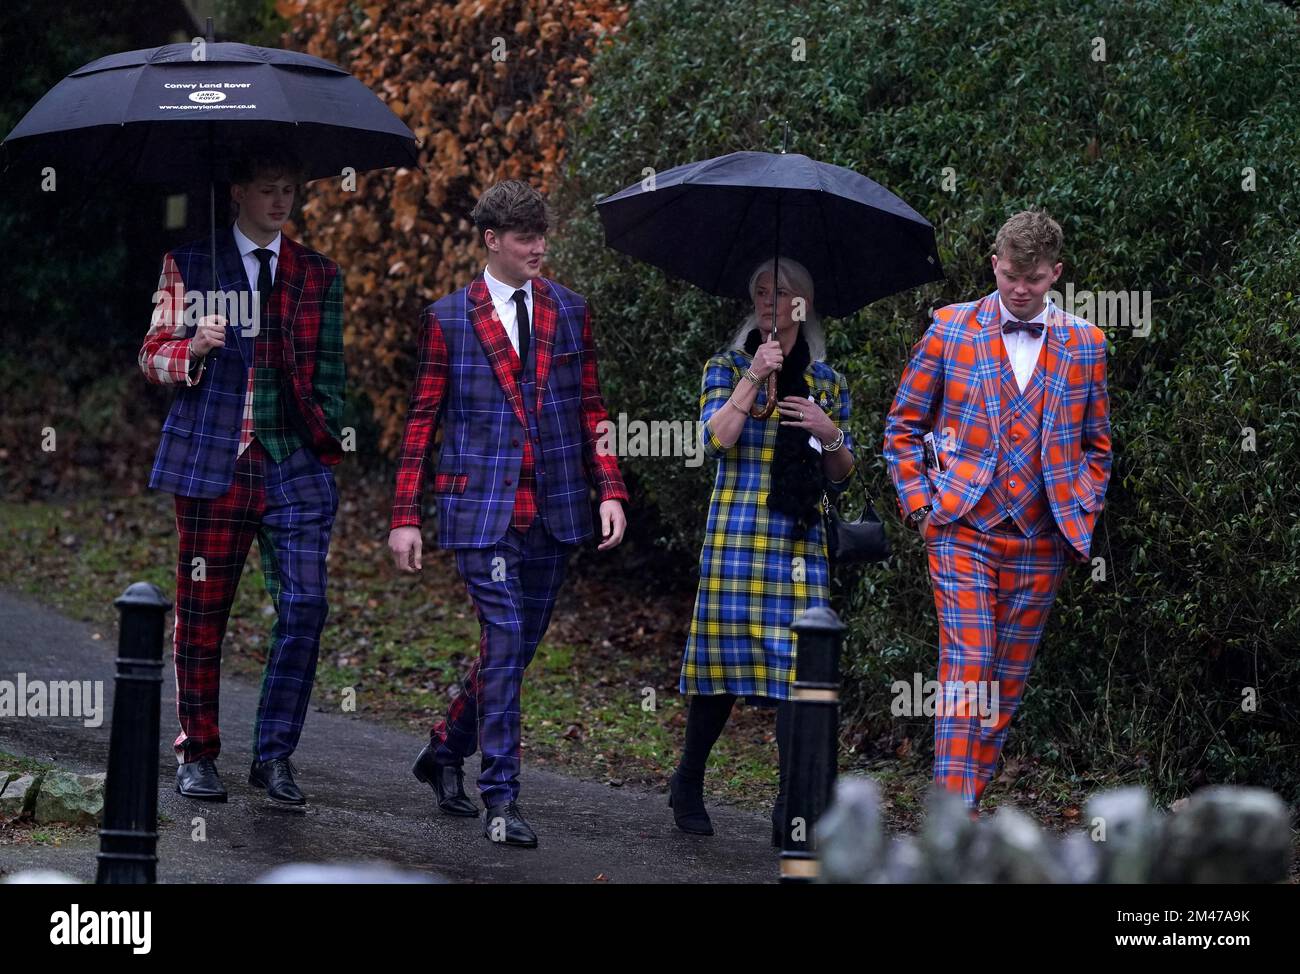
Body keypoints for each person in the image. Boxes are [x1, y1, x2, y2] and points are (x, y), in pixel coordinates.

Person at [388, 179, 628, 848]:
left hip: (554, 511)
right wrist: (404, 515)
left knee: (511, 653)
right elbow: (421, 423)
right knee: (503, 639)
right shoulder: (447, 318)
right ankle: (503, 799)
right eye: (525, 237)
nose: (539, 248)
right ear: (491, 240)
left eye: (543, 235)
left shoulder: (569, 311)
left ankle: (443, 751)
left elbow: (592, 410)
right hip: (481, 511)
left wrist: (609, 489)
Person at [882, 209, 1112, 813]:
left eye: (1033, 278)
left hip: (1042, 537)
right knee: (969, 666)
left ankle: (963, 812)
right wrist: (920, 508)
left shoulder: (1087, 345)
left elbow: (1097, 445)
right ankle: (951, 823)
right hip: (961, 528)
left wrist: (1078, 511)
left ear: (1055, 273)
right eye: (1010, 274)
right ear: (994, 264)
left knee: (1004, 687)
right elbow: (903, 425)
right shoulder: (951, 329)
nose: (1019, 288)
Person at [139, 143, 346, 807]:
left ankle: (275, 758)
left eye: (288, 187)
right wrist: (192, 346)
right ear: (237, 193)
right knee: (203, 614)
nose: (280, 200)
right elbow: (151, 356)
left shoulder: (318, 273)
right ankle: (198, 754)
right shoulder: (190, 264)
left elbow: (332, 374)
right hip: (211, 461)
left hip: (292, 466)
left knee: (306, 605)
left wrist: (330, 443)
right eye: (266, 188)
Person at [669, 256, 855, 845]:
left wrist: (831, 433)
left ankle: (790, 804)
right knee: (720, 671)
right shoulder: (726, 367)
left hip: (798, 543)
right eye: (761, 291)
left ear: (804, 303)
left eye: (782, 292)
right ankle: (688, 779)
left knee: (796, 677)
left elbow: (843, 474)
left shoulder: (828, 381)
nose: (770, 301)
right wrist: (754, 376)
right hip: (737, 537)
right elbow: (714, 441)